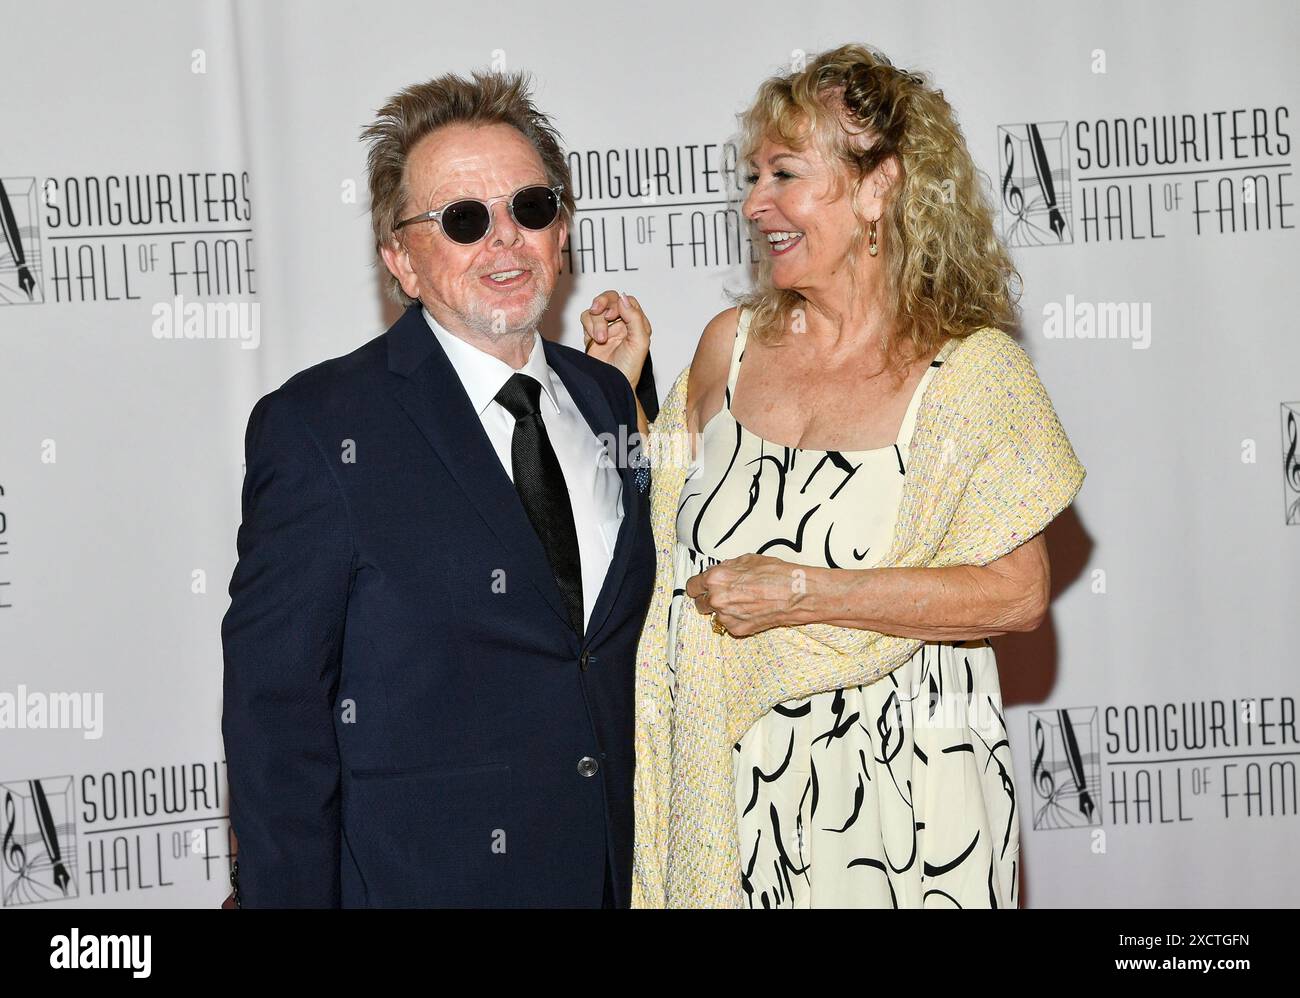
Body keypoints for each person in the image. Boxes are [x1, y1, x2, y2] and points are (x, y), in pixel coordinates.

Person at [630, 44, 1086, 908]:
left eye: (785, 174)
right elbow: (666, 534)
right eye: (754, 175)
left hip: (904, 797)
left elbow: (1017, 596)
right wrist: (624, 399)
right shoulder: (727, 347)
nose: (755, 202)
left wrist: (806, 591)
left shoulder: (972, 376)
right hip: (731, 791)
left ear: (878, 188)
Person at [221, 69, 658, 908]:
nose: (505, 240)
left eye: (530, 207)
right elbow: (276, 719)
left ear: (560, 231)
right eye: (463, 220)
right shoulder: (318, 427)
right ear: (401, 261)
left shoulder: (605, 396)